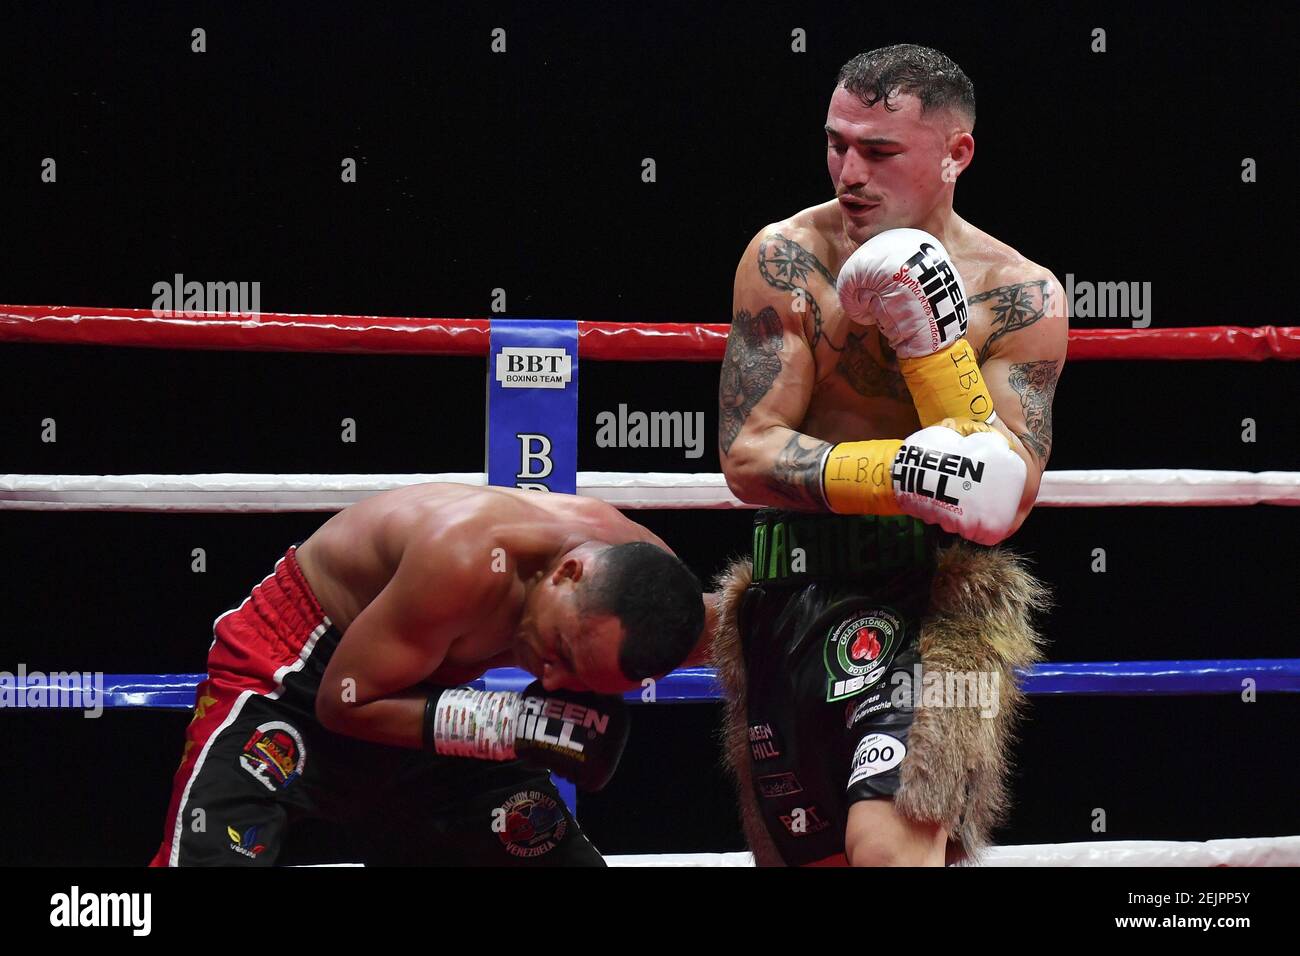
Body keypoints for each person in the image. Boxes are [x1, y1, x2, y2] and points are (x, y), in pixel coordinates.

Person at [715, 44, 1061, 866]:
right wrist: (901, 472)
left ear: (955, 154)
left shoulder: (1020, 293)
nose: (849, 172)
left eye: (879, 151)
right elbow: (747, 454)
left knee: (890, 850)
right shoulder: (786, 259)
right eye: (837, 143)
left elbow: (999, 499)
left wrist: (933, 346)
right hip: (793, 585)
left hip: (946, 604)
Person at [149, 482, 707, 866]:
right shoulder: (466, 559)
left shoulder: (655, 596)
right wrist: (511, 723)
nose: (554, 682)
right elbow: (342, 703)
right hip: (292, 678)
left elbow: (735, 627)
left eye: (583, 681)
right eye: (560, 651)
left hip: (421, 699)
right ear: (566, 571)